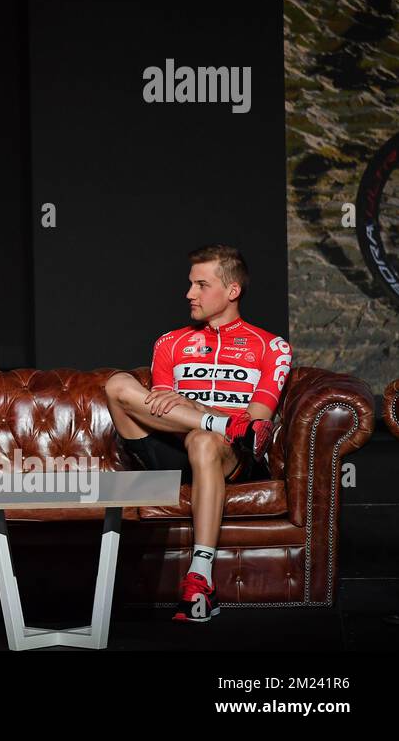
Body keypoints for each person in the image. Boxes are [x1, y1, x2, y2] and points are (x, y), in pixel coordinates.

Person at [103, 245, 292, 623]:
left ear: (232, 291)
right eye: (191, 284)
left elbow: (254, 423)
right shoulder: (169, 342)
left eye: (201, 285)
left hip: (226, 452)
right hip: (169, 447)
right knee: (117, 384)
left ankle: (200, 576)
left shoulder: (272, 348)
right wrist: (208, 415)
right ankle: (212, 424)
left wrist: (198, 411)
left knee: (205, 439)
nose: (190, 294)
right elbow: (158, 411)